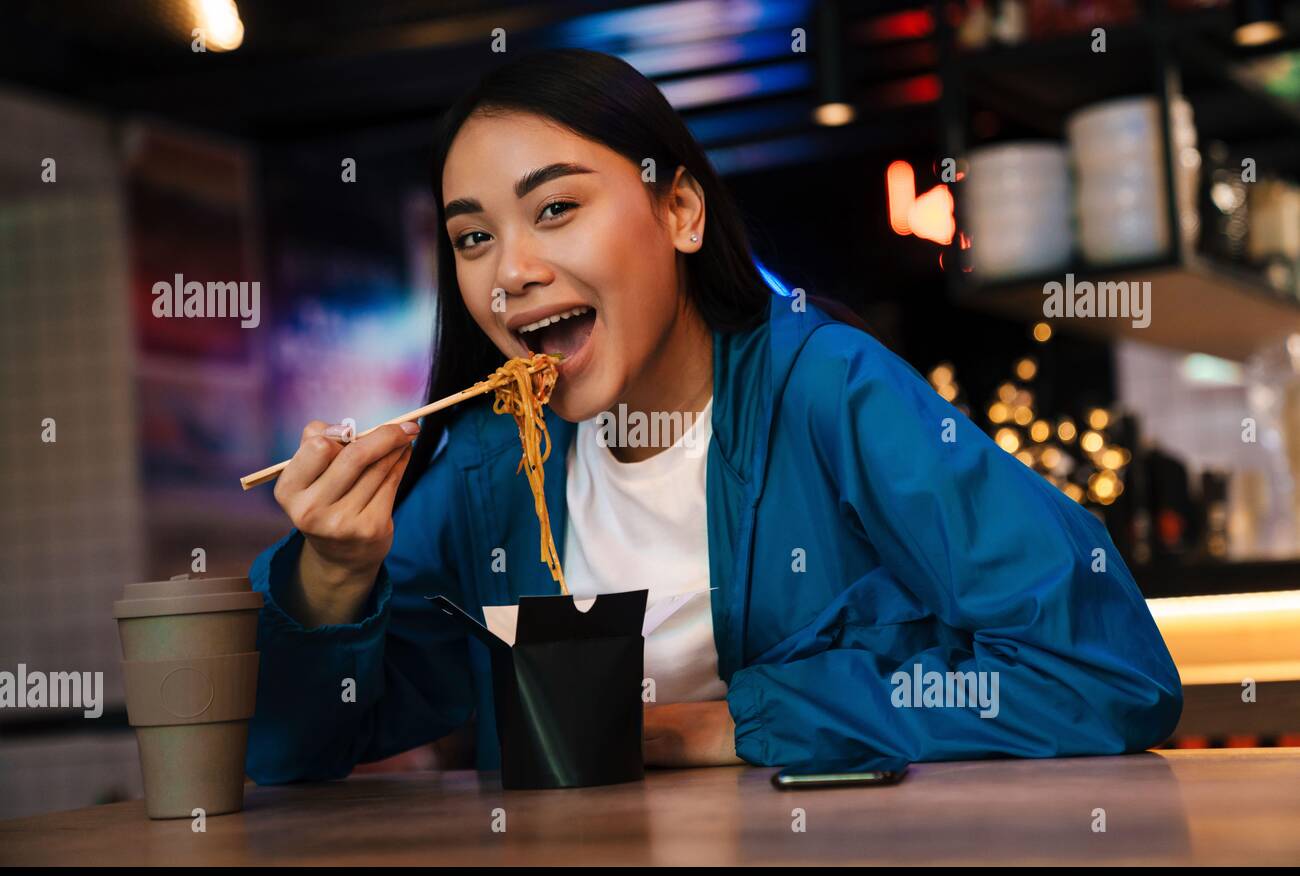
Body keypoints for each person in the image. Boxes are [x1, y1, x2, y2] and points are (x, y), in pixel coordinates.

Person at [244, 48, 1182, 785]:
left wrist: (742, 722)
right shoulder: (495, 462)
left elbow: (1108, 675)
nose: (510, 270)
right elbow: (293, 752)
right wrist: (332, 574)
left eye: (557, 207)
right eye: (473, 237)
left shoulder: (830, 392)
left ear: (681, 210)